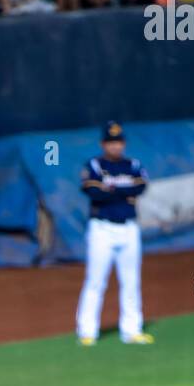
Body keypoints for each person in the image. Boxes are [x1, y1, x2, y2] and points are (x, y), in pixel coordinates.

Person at [75, 120, 152, 345]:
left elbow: (141, 186)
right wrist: (122, 190)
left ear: (124, 143)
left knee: (131, 281)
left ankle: (132, 330)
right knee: (96, 281)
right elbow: (93, 191)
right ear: (103, 144)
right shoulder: (94, 164)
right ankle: (87, 331)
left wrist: (110, 187)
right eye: (111, 142)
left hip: (129, 229)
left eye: (118, 141)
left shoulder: (134, 164)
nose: (115, 146)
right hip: (102, 230)